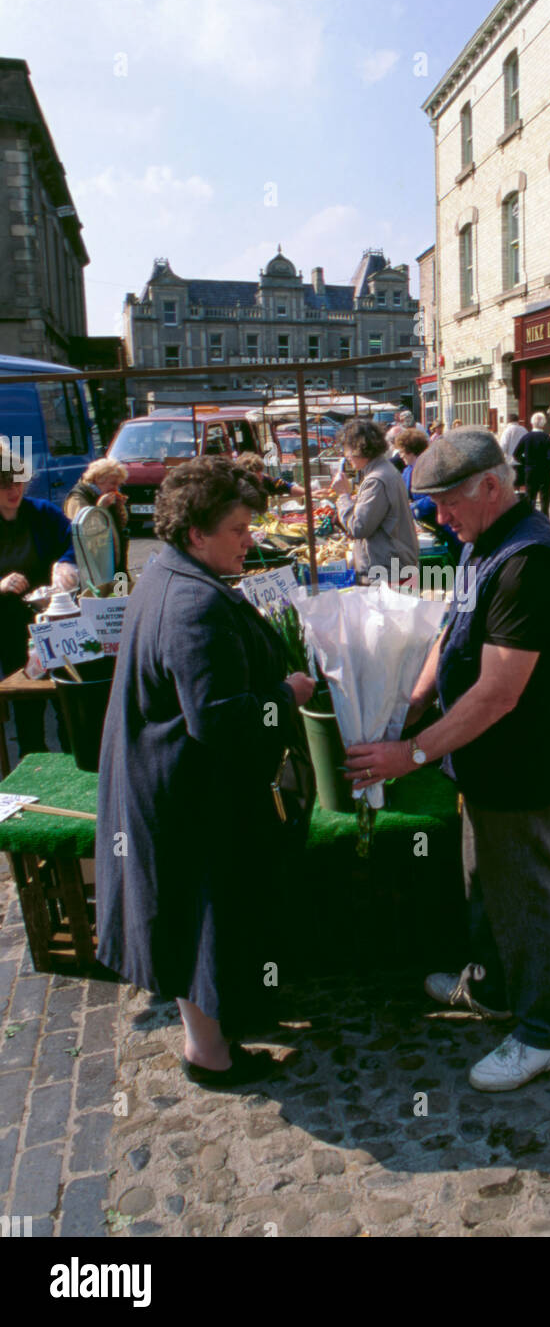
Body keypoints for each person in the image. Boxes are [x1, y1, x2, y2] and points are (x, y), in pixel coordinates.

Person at [345, 430, 550, 1092]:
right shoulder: (482, 542)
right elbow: (451, 632)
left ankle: (543, 1032)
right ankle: (492, 984)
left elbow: (499, 692)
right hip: (479, 760)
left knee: (522, 893)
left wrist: (411, 751)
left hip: (517, 759)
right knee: (484, 878)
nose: (438, 518)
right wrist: (414, 702)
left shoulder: (531, 561)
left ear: (490, 484)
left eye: (447, 503)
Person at [95, 457, 315, 1087]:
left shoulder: (173, 573)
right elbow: (219, 719)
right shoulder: (194, 602)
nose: (249, 539)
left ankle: (221, 1025)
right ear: (197, 534)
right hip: (183, 791)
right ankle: (210, 1056)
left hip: (170, 777)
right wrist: (287, 693)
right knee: (198, 915)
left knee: (197, 914)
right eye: (239, 529)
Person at [0, 452, 79, 755]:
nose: (13, 490)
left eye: (17, 481)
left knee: (67, 701)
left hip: (55, 622)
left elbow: (75, 541)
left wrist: (65, 566)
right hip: (10, 632)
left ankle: (75, 761)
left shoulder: (43, 512)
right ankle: (34, 763)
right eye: (4, 484)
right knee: (27, 707)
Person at [330, 418, 418, 585]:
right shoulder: (384, 471)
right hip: (394, 567)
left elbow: (358, 527)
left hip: (386, 571)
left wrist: (343, 495)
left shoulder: (376, 479)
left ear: (359, 448)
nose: (346, 456)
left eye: (347, 450)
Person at [394, 429, 462, 560]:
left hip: (445, 526)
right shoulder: (408, 470)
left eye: (402, 452)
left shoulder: (431, 468)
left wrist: (413, 507)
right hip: (427, 526)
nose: (400, 456)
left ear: (410, 450)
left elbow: (435, 498)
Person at [64, 458, 130, 578]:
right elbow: (85, 531)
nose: (116, 488)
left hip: (116, 564)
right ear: (98, 479)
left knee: (122, 593)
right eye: (113, 483)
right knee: (106, 595)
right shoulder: (78, 497)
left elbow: (122, 523)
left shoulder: (104, 495)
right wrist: (101, 508)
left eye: (118, 484)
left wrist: (119, 507)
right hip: (95, 568)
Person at [514, 411, 550, 517]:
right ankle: (545, 520)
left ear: (531, 423)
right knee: (544, 499)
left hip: (530, 470)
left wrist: (525, 462)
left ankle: (529, 520)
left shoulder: (526, 437)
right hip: (544, 471)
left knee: (530, 497)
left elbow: (516, 454)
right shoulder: (547, 438)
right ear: (543, 424)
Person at [234, 451, 305, 501]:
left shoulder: (267, 480)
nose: (260, 477)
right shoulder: (236, 486)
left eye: (260, 472)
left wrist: (309, 493)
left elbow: (287, 486)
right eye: (256, 474)